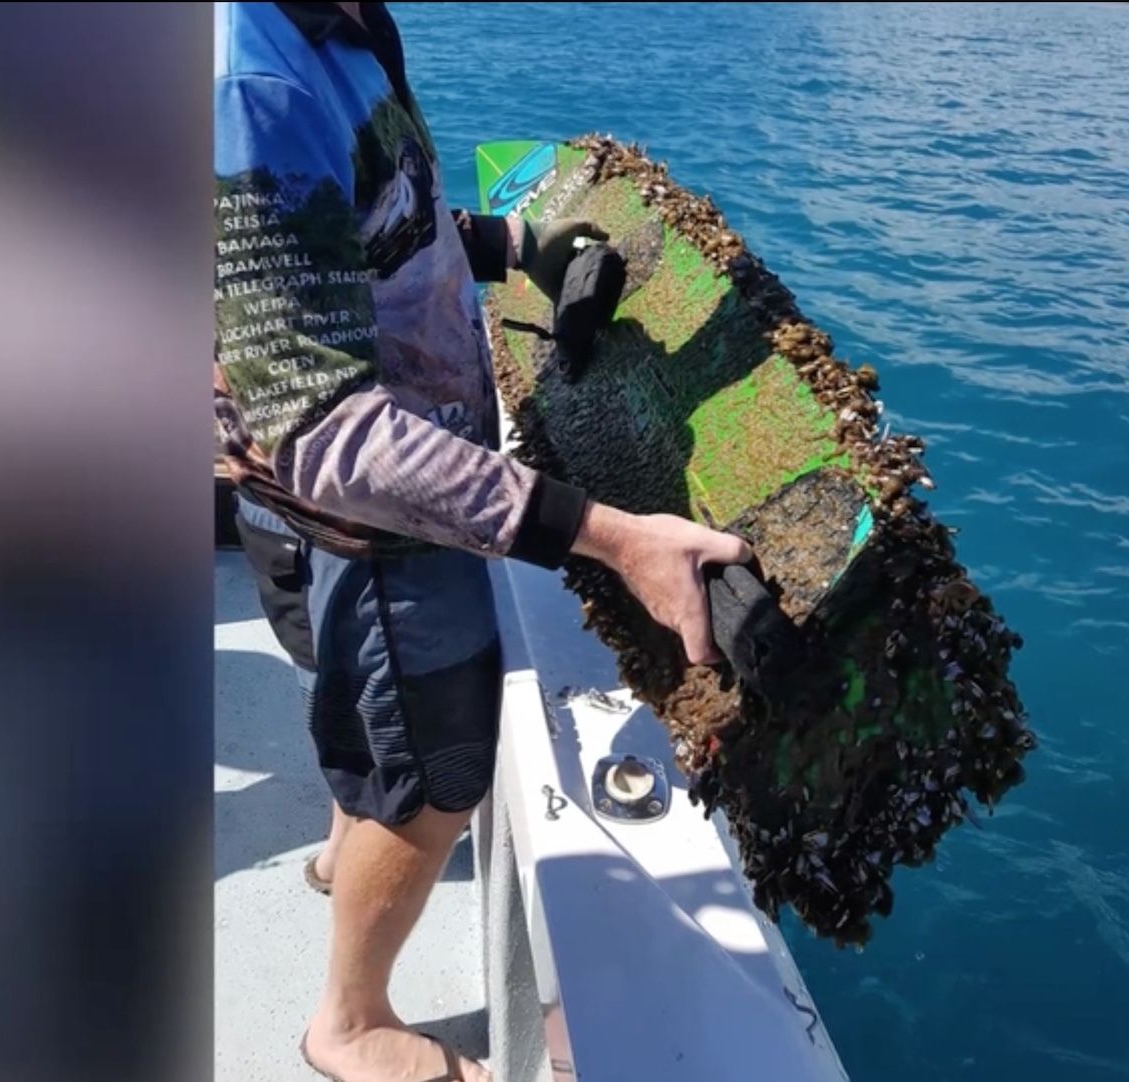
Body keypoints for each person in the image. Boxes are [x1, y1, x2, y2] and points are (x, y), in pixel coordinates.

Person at [213, 3, 752, 1080]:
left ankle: (340, 853)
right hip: (376, 520)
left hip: (394, 489)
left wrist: (515, 247)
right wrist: (608, 537)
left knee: (375, 725)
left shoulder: (343, 21)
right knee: (442, 765)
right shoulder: (254, 84)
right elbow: (322, 433)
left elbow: (371, 218)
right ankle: (350, 1020)